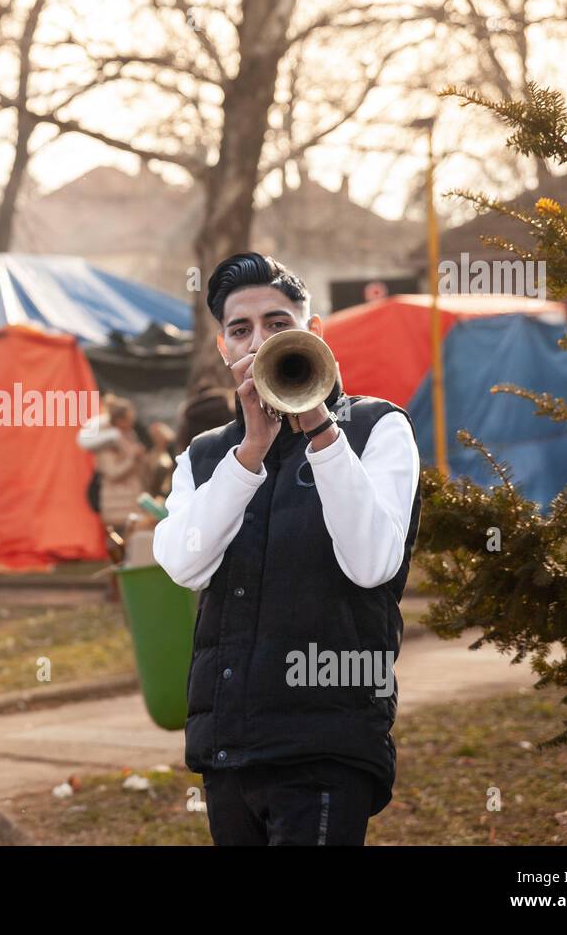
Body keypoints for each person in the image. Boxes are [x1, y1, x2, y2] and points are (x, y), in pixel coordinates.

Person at [152, 252, 421, 845]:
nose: (259, 341)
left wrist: (318, 427)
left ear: (314, 333)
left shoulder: (377, 429)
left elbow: (373, 561)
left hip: (328, 744)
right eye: (241, 329)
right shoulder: (206, 454)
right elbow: (183, 564)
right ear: (223, 347)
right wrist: (249, 451)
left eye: (278, 324)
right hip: (228, 748)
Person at [91, 397, 148, 533]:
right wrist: (132, 458)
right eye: (128, 418)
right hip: (116, 505)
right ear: (118, 420)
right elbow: (112, 472)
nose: (132, 421)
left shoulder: (129, 437)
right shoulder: (105, 442)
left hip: (131, 501)